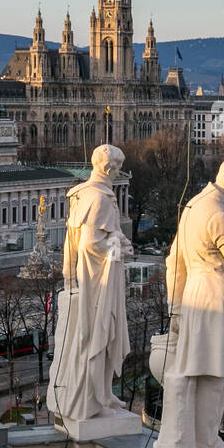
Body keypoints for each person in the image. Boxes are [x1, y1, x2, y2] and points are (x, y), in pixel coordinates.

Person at [149, 156, 224, 448]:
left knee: (202, 368)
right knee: (218, 370)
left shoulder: (195, 205)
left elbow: (175, 262)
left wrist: (177, 308)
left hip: (196, 297)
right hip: (218, 299)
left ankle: (199, 439)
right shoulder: (221, 213)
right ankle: (206, 442)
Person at [46, 144, 131, 422]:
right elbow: (90, 244)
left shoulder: (83, 193)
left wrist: (116, 239)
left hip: (86, 278)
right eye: (117, 169)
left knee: (102, 336)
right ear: (108, 169)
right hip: (98, 282)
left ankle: (103, 392)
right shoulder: (100, 198)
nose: (119, 174)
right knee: (103, 334)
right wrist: (119, 245)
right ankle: (96, 396)